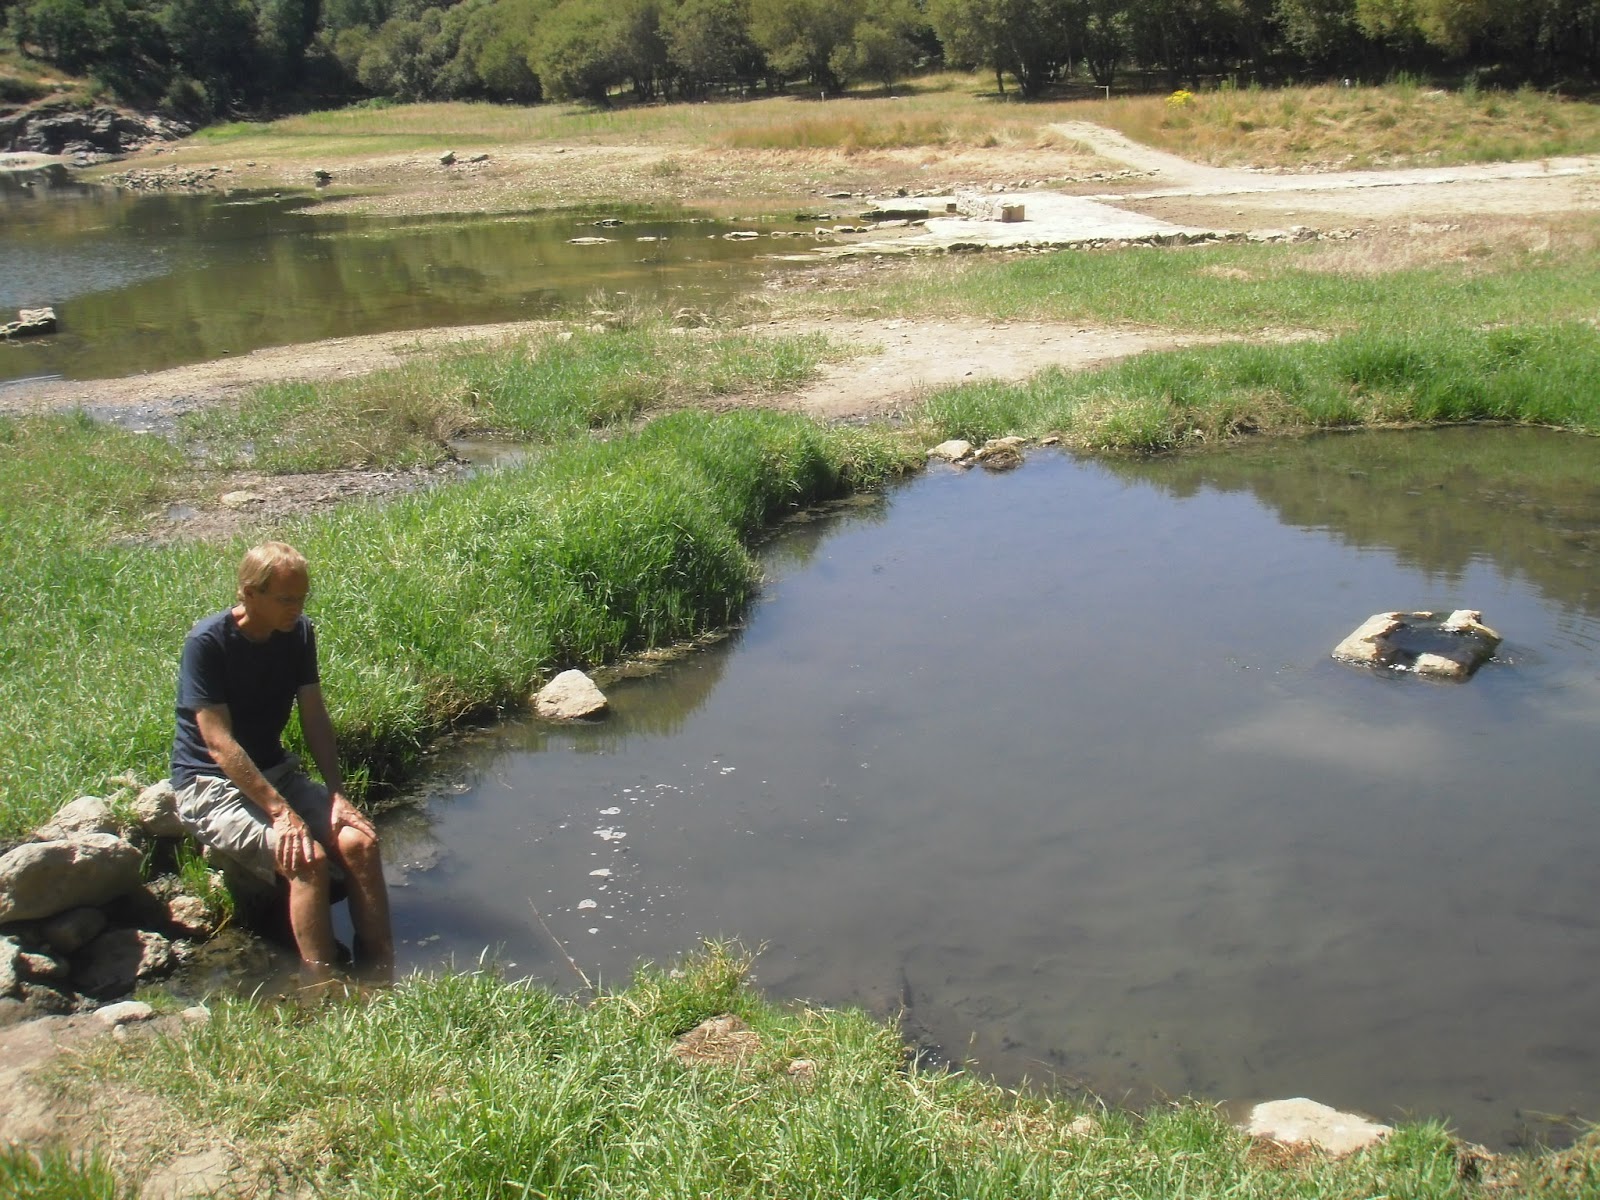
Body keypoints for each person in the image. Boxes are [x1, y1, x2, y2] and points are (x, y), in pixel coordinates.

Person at [170, 541, 394, 984]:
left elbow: (314, 715)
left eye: (302, 598)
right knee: (306, 858)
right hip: (209, 782)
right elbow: (218, 743)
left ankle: (383, 971)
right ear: (250, 593)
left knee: (360, 844)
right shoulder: (207, 643)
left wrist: (337, 793)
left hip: (273, 770)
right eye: (286, 599)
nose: (297, 609)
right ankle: (323, 984)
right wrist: (280, 812)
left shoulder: (298, 633)